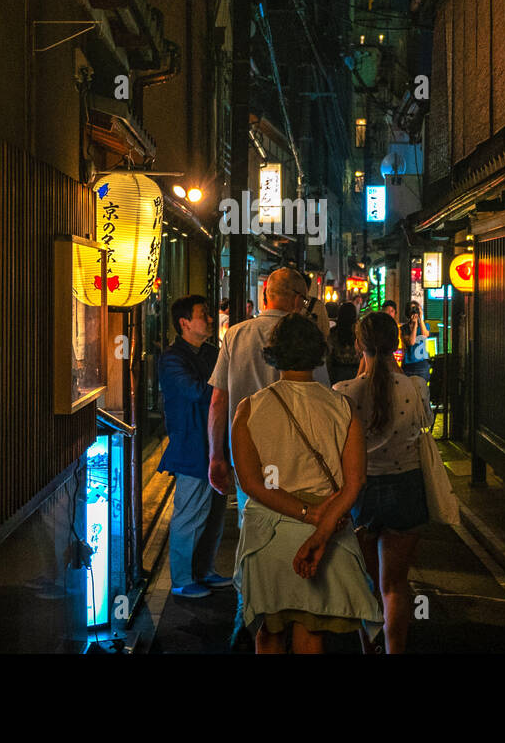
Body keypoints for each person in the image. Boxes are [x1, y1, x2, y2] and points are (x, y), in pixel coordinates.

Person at [230, 313, 382, 653]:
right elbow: (355, 482)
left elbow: (252, 482)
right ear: (318, 353)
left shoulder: (249, 408)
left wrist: (307, 512)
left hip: (269, 532)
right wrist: (321, 524)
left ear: (273, 353)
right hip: (327, 527)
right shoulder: (342, 407)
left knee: (269, 632)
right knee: (311, 632)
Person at [208, 267, 331, 649]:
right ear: (297, 300)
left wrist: (216, 456)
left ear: (265, 294)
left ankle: (252, 612)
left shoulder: (236, 334)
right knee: (298, 536)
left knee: (254, 537)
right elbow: (322, 403)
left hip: (251, 463)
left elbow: (218, 400)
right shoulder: (306, 339)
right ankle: (295, 610)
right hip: (299, 464)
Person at [333, 311, 431, 653]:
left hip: (361, 490)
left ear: (360, 344)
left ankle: (368, 648)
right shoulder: (415, 387)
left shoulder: (343, 391)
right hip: (406, 486)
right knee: (395, 585)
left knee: (367, 582)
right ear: (396, 344)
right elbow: (426, 424)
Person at [158, 295, 230, 598]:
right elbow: (199, 392)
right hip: (191, 444)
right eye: (204, 314)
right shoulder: (172, 358)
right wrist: (224, 388)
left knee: (214, 511)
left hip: (214, 442)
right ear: (184, 322)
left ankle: (204, 570)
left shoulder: (212, 352)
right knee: (190, 512)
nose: (210, 320)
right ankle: (182, 579)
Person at [326, 301, 361, 384]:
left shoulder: (333, 333)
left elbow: (329, 357)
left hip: (338, 372)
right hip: (356, 372)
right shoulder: (358, 333)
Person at [401, 301, 432, 382]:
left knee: (422, 391)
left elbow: (424, 336)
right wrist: (414, 325)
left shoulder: (426, 325)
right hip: (408, 364)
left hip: (421, 364)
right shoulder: (404, 328)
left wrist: (420, 319)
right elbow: (411, 342)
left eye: (416, 309)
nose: (414, 311)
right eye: (412, 309)